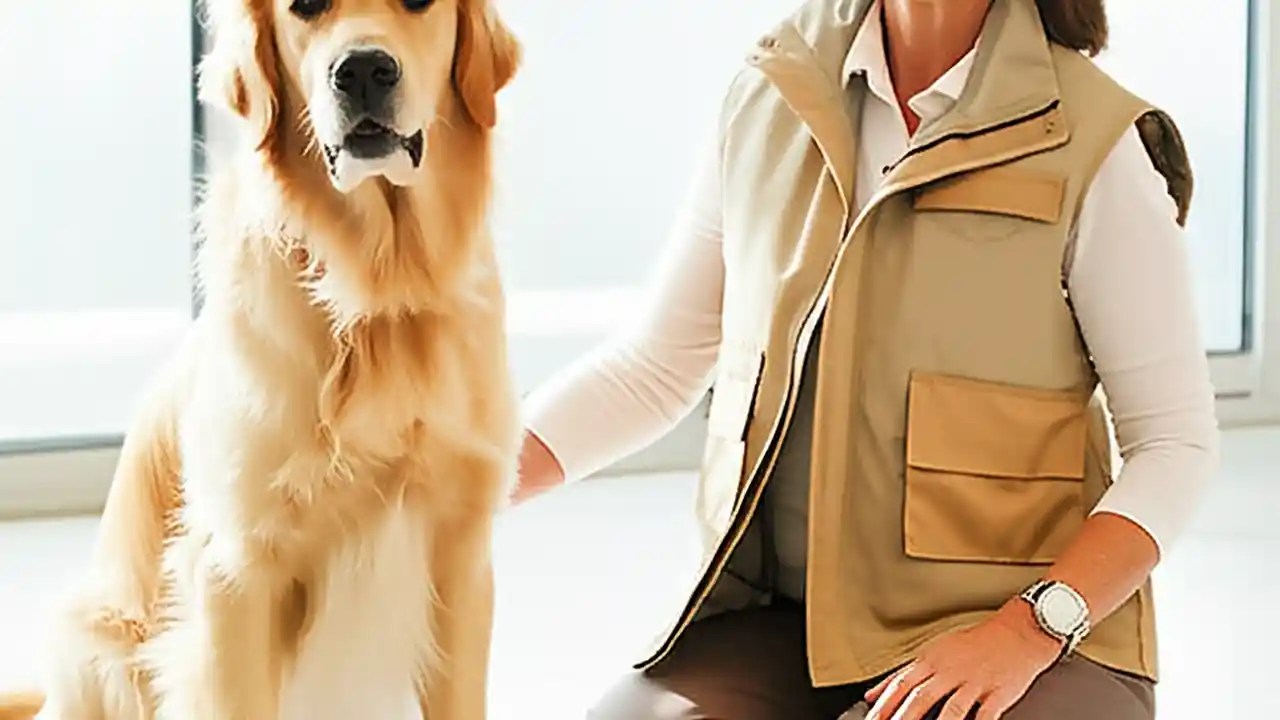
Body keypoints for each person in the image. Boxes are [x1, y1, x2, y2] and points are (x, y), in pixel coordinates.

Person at [515, 0, 1220, 717]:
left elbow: (1174, 444)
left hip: (1035, 643)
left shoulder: (1095, 141)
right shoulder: (771, 95)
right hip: (789, 628)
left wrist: (1027, 630)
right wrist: (460, 480)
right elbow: (655, 367)